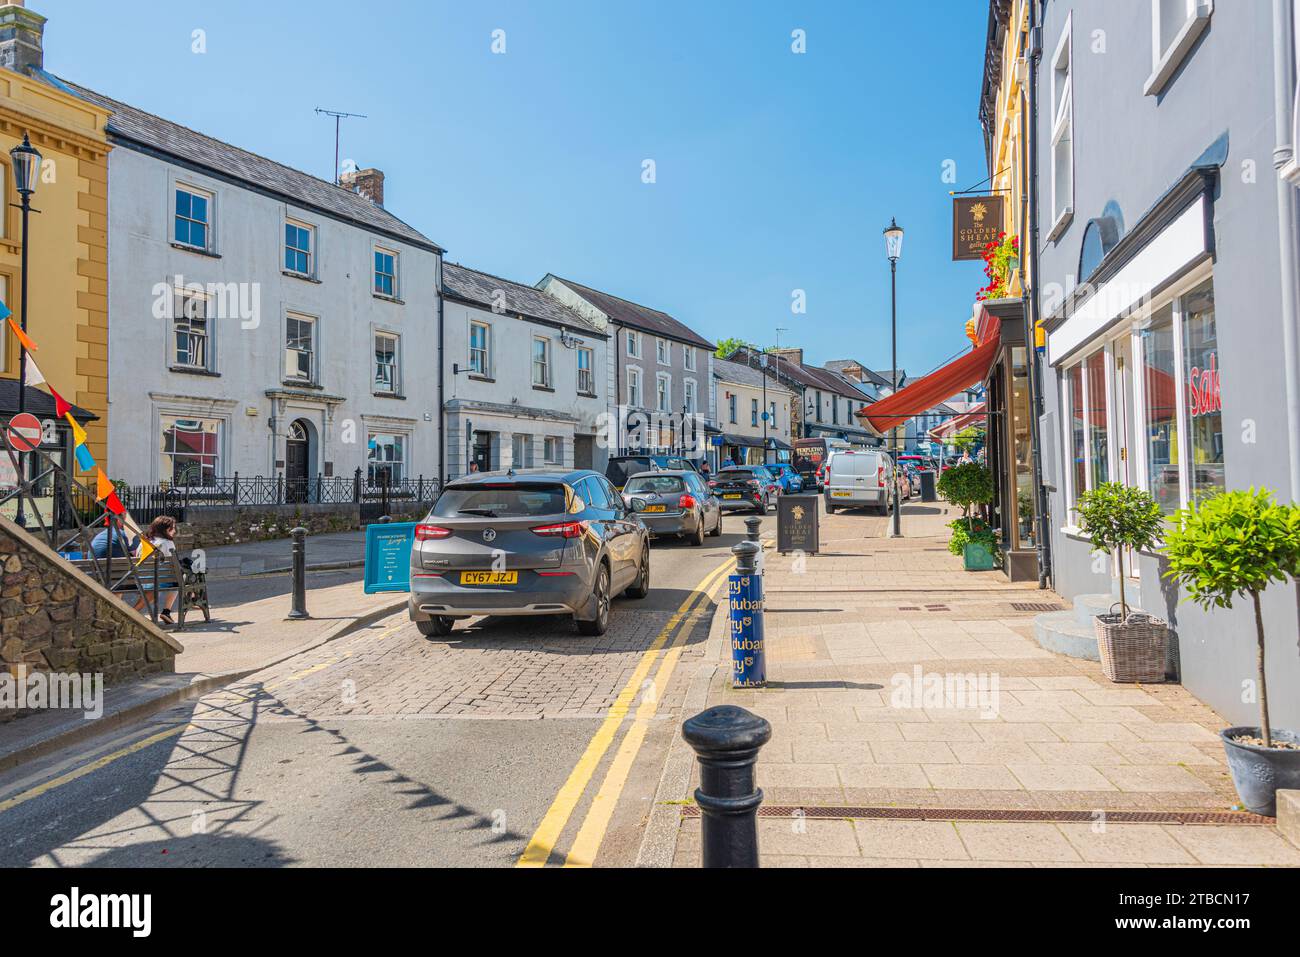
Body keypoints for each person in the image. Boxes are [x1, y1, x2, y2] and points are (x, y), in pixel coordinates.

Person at [133, 516, 179, 625]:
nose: (175, 531)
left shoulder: (143, 543)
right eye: (173, 528)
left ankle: (133, 613)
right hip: (158, 580)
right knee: (179, 578)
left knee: (171, 580)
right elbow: (173, 565)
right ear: (167, 530)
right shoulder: (167, 543)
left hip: (141, 580)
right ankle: (166, 611)